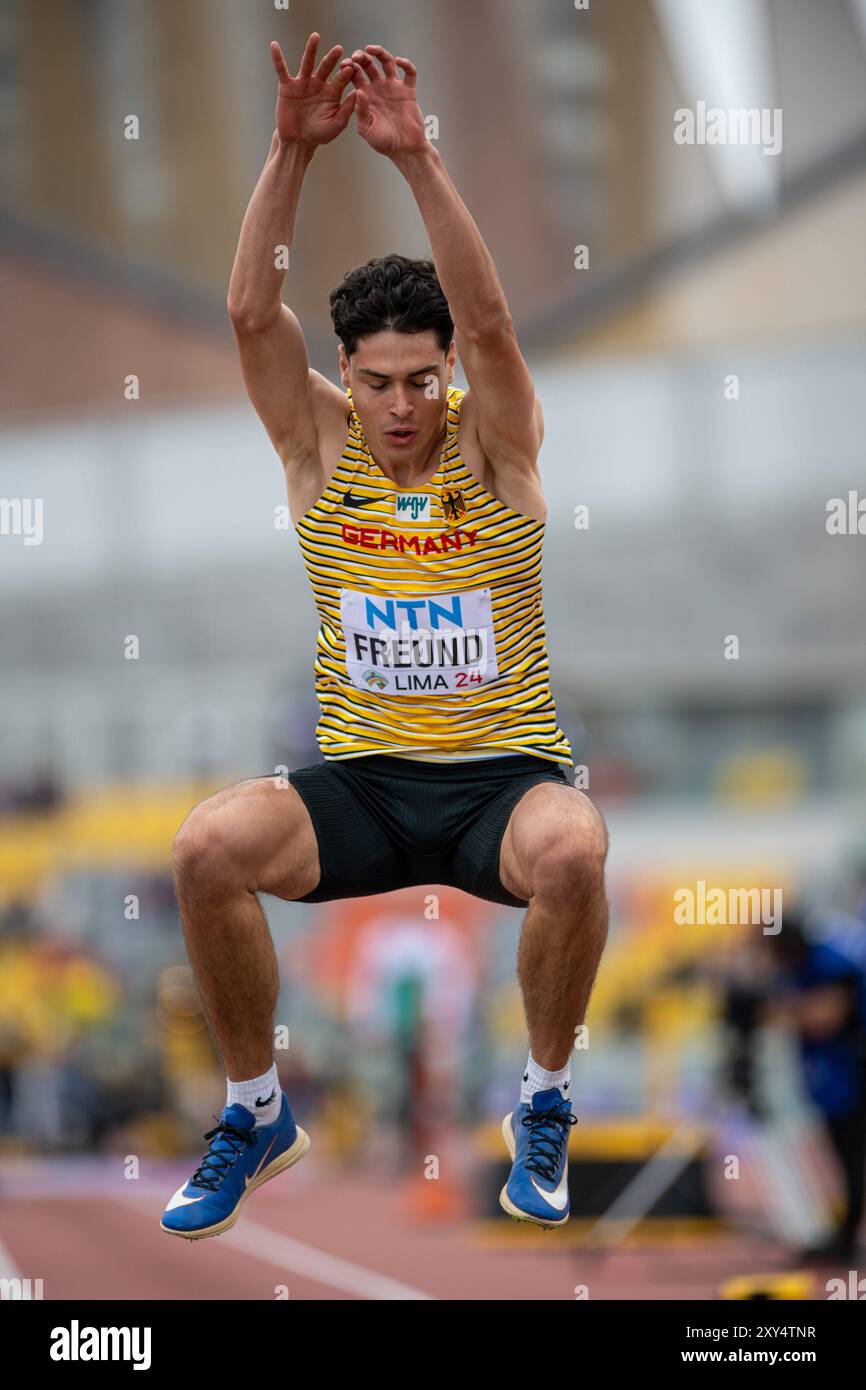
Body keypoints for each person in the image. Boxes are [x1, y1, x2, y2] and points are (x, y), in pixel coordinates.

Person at [161, 33, 608, 1240]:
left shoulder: (491, 443)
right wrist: (287, 152)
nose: (402, 406)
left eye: (421, 378)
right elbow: (252, 311)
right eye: (378, 382)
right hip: (360, 783)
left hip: (495, 786)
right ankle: (255, 1111)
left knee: (574, 848)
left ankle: (542, 1101)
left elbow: (499, 326)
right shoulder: (317, 449)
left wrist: (415, 158)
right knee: (206, 846)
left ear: (445, 369)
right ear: (344, 378)